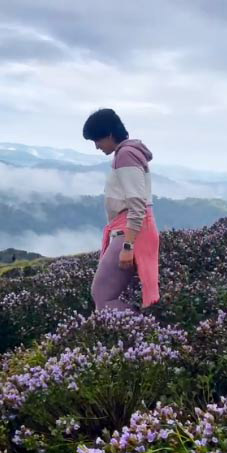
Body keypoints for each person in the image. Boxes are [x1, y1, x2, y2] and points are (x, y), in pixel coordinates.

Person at [82, 108, 160, 312]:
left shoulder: (126, 155)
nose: (97, 146)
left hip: (130, 232)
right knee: (104, 294)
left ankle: (149, 333)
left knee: (102, 295)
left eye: (96, 140)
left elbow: (137, 203)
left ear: (108, 134)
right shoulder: (126, 153)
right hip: (128, 231)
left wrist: (128, 246)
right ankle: (144, 333)